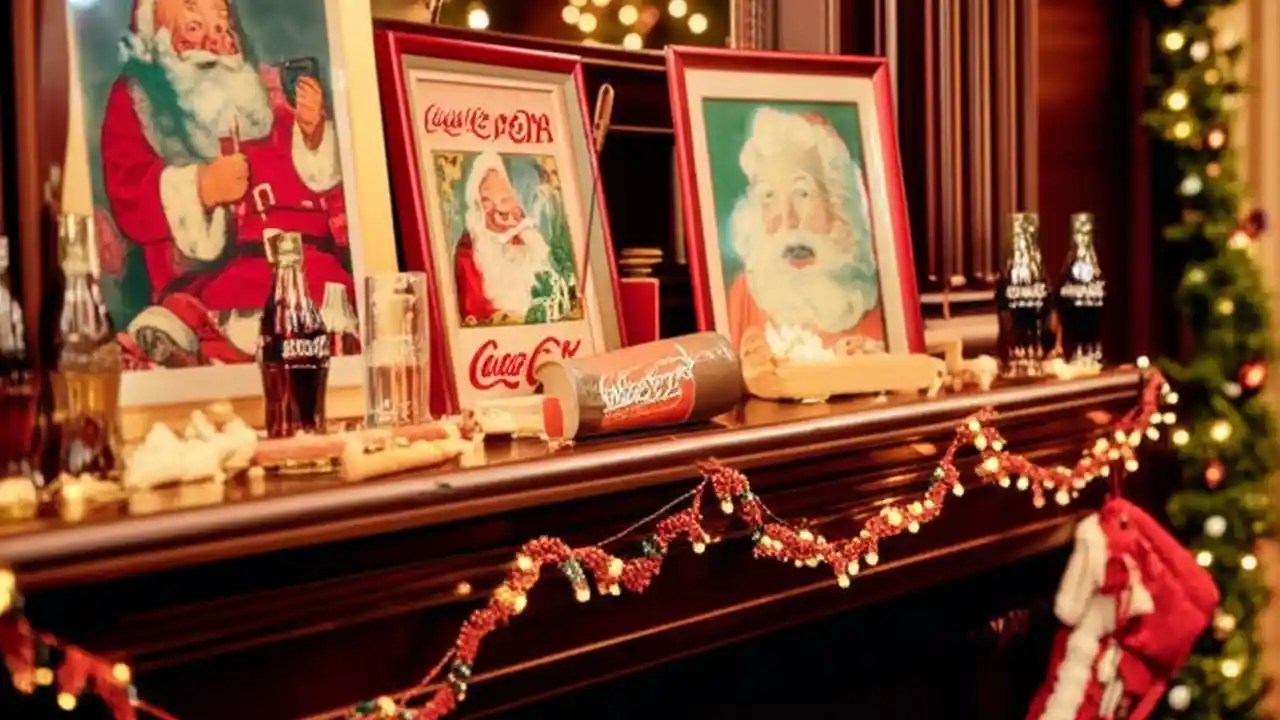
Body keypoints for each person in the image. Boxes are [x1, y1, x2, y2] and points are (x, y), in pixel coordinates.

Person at [101, 0, 354, 365]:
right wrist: (201, 187)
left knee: (319, 298)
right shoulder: (140, 99)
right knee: (196, 310)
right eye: (193, 15)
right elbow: (128, 189)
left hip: (303, 266)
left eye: (221, 18)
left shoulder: (263, 89)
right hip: (213, 276)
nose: (215, 31)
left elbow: (322, 179)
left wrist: (313, 135)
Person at [725, 107, 885, 355]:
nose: (787, 220)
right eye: (768, 196)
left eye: (803, 193)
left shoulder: (882, 296)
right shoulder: (743, 295)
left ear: (838, 205)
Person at [453, 152, 554, 325]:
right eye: (488, 201)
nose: (502, 212)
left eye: (504, 199)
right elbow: (474, 314)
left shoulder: (529, 238)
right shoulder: (469, 254)